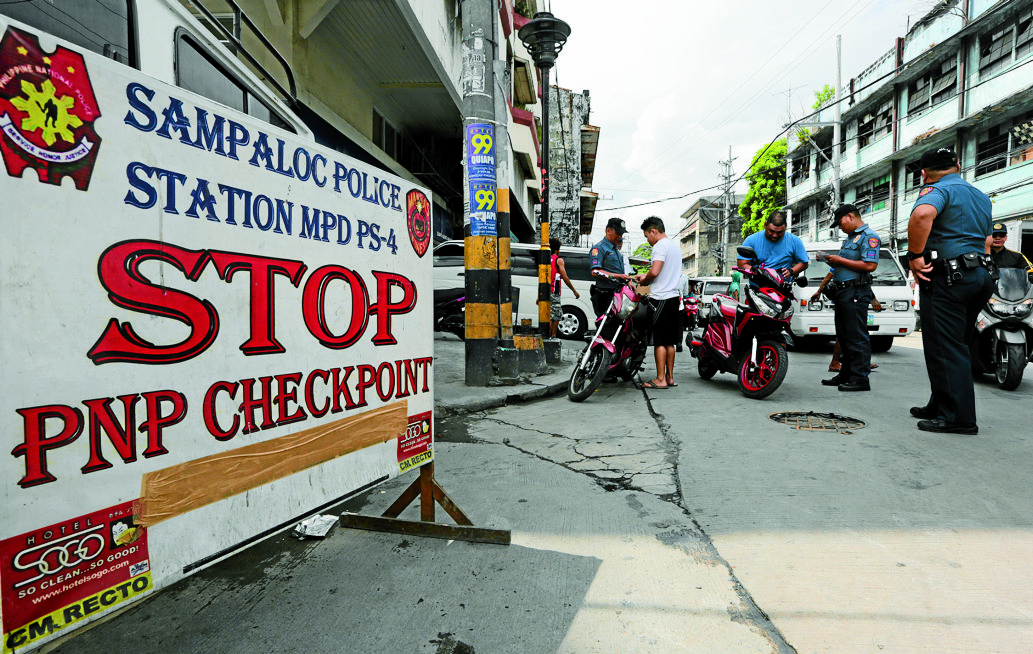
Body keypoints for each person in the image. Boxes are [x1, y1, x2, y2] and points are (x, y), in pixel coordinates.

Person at [907, 146, 994, 435]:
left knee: (945, 346)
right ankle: (940, 403)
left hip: (949, 277)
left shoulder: (935, 190)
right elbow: (987, 240)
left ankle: (958, 417)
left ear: (923, 173)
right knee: (956, 342)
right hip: (978, 275)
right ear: (958, 165)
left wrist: (915, 256)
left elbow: (921, 216)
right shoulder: (980, 195)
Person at [813, 203, 880, 391]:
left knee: (857, 336)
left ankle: (860, 378)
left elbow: (869, 266)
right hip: (843, 292)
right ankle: (846, 373)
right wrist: (829, 259)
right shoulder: (851, 238)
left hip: (856, 291)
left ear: (851, 216)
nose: (839, 227)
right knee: (843, 335)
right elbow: (845, 265)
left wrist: (838, 259)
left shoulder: (870, 237)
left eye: (840, 222)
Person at [633, 216, 682, 389]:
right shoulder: (674, 246)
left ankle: (660, 379)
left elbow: (654, 271)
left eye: (647, 236)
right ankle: (669, 378)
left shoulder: (659, 246)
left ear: (653, 231)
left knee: (660, 341)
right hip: (674, 297)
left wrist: (644, 280)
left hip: (660, 297)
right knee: (670, 342)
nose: (648, 240)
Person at [737, 211, 809, 277]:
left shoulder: (795, 241)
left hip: (783, 288)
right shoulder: (751, 240)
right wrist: (758, 272)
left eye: (779, 232)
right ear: (765, 225)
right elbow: (741, 264)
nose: (775, 235)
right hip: (758, 288)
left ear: (785, 228)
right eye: (771, 231)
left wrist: (791, 271)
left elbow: (804, 263)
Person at [589, 217, 630, 318]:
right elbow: (595, 271)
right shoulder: (599, 248)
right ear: (608, 230)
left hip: (616, 293)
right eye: (618, 233)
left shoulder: (616, 249)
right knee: (607, 327)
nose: (620, 236)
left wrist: (627, 281)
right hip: (604, 295)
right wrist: (618, 276)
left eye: (622, 234)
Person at [548, 238, 580, 338]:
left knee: (549, 314)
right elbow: (565, 277)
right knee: (556, 314)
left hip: (546, 290)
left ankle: (549, 334)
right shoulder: (559, 260)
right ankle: (553, 335)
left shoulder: (546, 259)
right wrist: (574, 291)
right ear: (558, 249)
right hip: (555, 291)